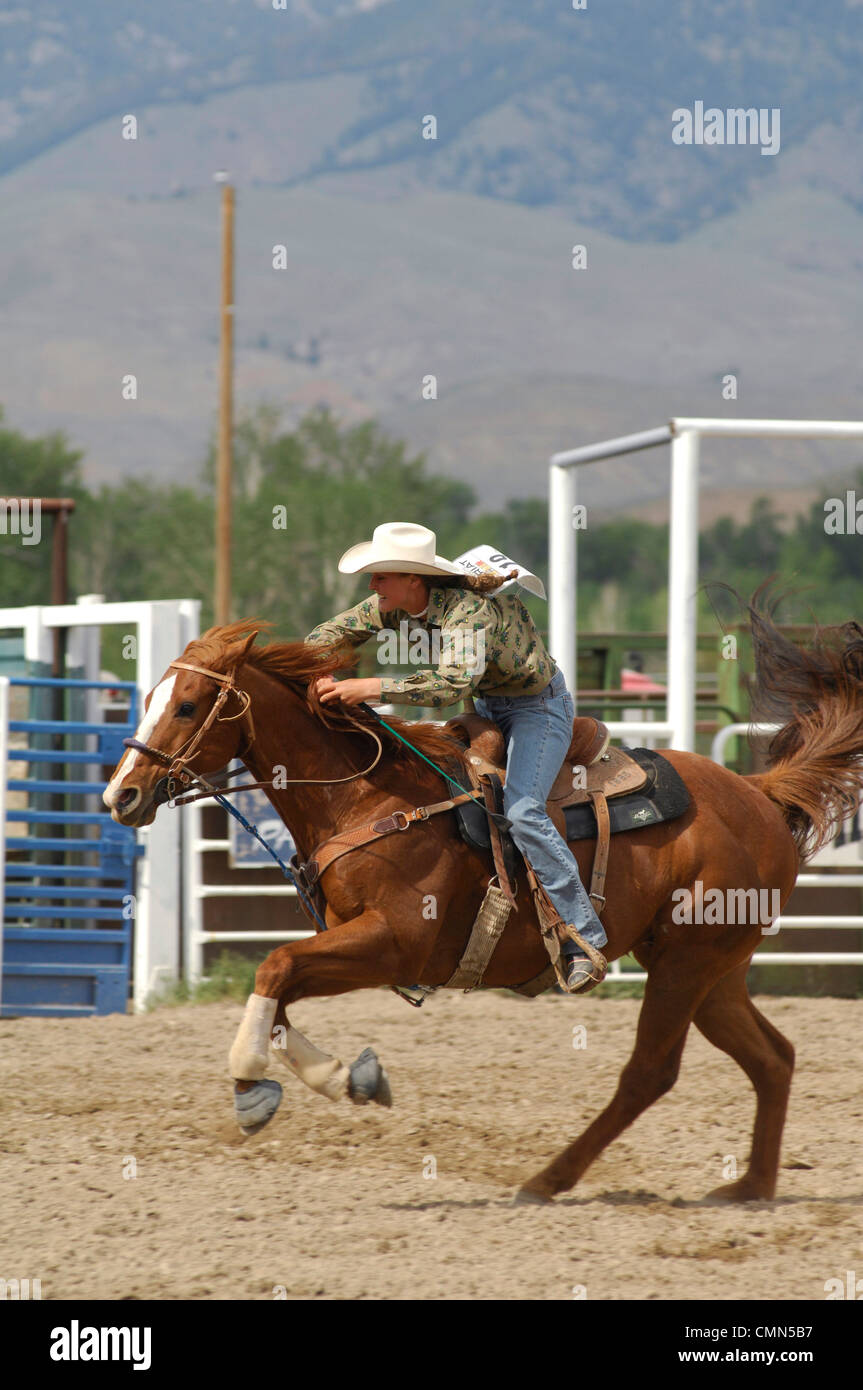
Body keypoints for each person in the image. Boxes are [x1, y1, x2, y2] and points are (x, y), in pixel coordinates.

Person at [305, 521, 608, 993]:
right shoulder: (393, 606)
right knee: (436, 796)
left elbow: (453, 682)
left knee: (525, 811)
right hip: (486, 708)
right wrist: (308, 670)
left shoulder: (469, 610)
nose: (371, 585)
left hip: (536, 709)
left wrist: (369, 686)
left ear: (413, 580)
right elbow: (329, 634)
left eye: (380, 575)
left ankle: (583, 936)